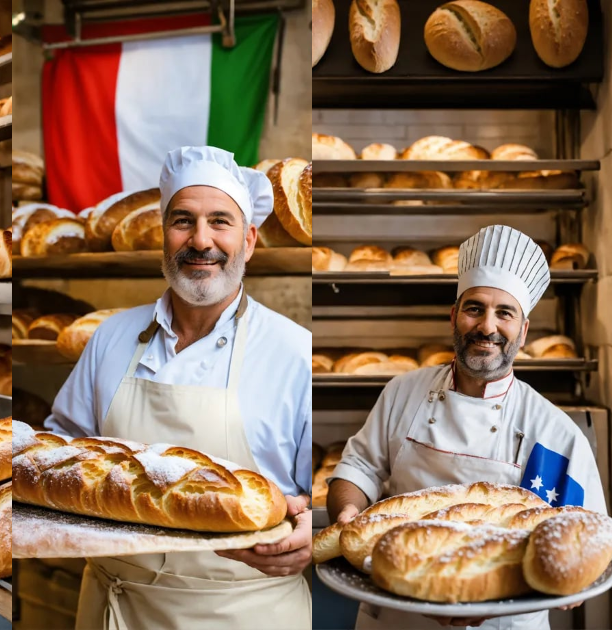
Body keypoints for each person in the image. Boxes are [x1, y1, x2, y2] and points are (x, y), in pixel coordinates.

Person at [46, 146, 313, 629]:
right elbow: (62, 452)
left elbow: (323, 490)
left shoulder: (295, 353)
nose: (201, 240)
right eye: (183, 221)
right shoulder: (111, 338)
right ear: (163, 237)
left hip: (242, 612)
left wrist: (314, 528)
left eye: (220, 221)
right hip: (117, 606)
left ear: (249, 240)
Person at [328, 224, 607, 629]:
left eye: (504, 313)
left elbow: (590, 539)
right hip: (397, 611)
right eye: (475, 308)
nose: (487, 327)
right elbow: (359, 469)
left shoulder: (555, 433)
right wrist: (348, 514)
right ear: (454, 315)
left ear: (523, 332)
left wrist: (501, 596)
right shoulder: (402, 391)